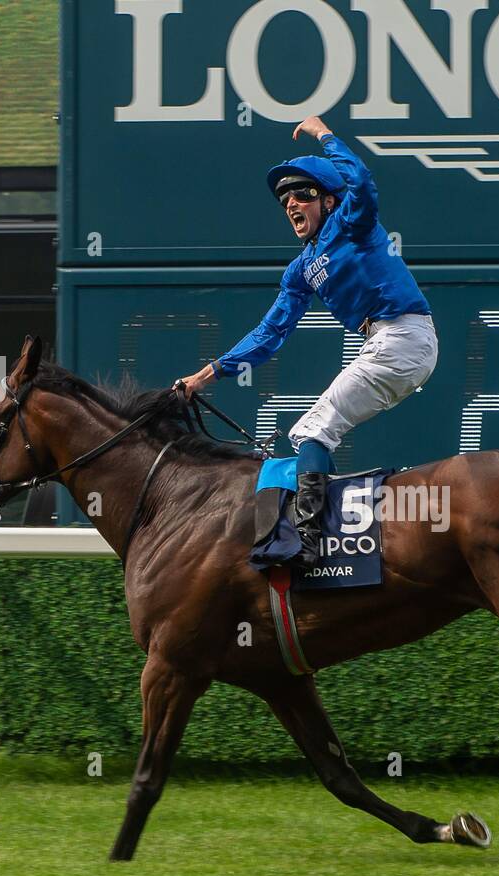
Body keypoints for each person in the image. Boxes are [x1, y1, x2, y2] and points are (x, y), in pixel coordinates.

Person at [177, 116, 437, 566]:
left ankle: (309, 547)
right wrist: (209, 373)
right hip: (390, 344)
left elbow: (364, 183)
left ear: (329, 201)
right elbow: (271, 333)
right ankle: (318, 536)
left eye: (302, 194)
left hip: (402, 337)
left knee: (311, 430)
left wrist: (325, 135)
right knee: (313, 431)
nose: (291, 204)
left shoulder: (353, 222)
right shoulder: (300, 268)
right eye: (284, 200)